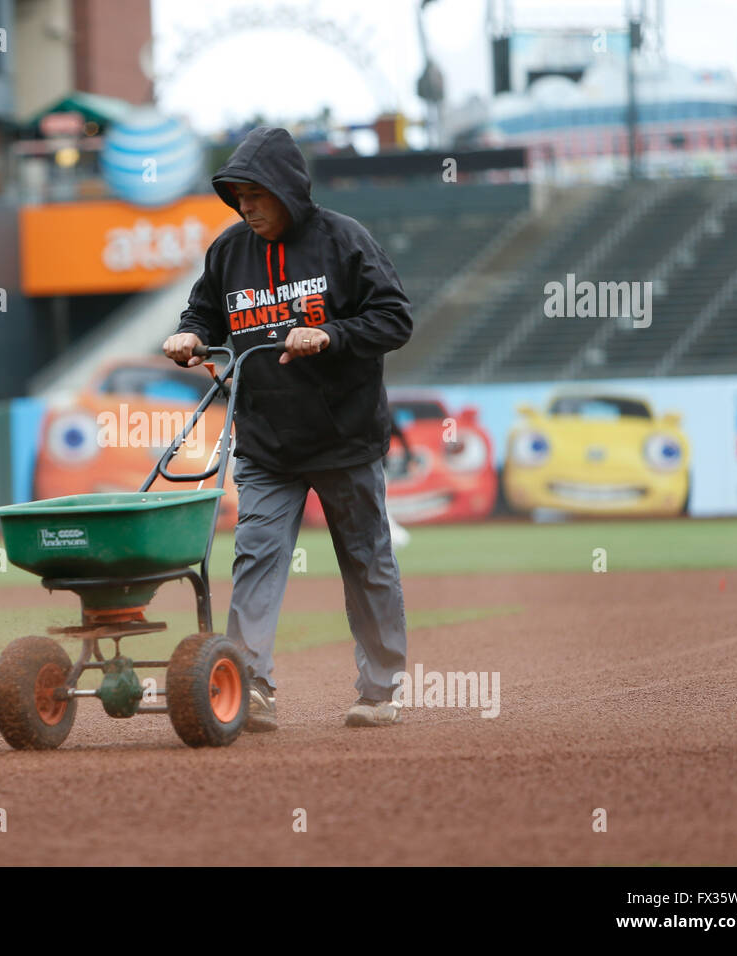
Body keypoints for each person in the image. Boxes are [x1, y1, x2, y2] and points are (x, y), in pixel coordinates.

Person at [162, 126, 412, 731]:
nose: (246, 206)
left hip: (344, 439)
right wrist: (193, 335)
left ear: (287, 191)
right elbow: (205, 311)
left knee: (367, 560)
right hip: (267, 444)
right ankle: (252, 687)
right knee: (255, 558)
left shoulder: (344, 240)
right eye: (238, 196)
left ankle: (381, 690)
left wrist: (331, 335)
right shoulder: (228, 252)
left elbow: (394, 318)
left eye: (257, 195)